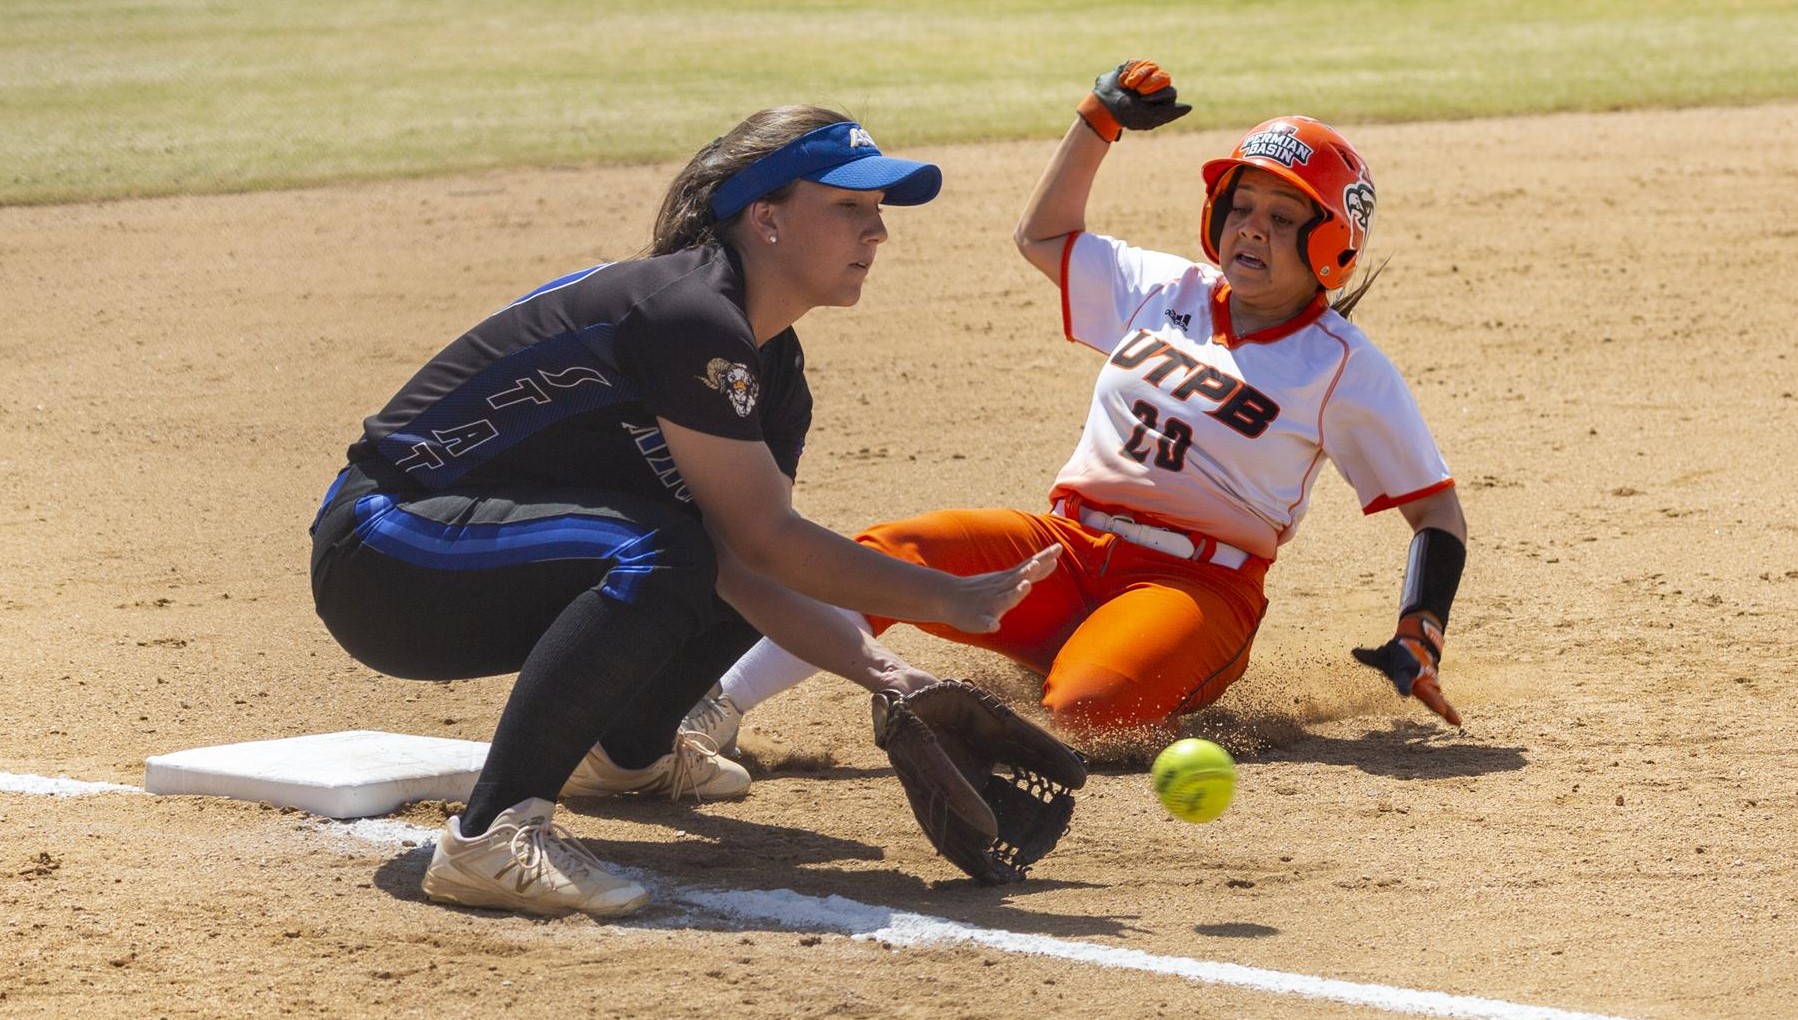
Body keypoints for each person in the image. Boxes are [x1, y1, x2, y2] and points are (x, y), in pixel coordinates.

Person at [308, 107, 1060, 919]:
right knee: (666, 551)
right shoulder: (687, 311)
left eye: (877, 212)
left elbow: (748, 561)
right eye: (848, 206)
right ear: (765, 218)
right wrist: (948, 598)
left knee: (704, 546)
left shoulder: (774, 371)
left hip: (463, 556)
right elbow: (766, 545)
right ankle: (492, 837)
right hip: (387, 549)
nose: (876, 233)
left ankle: (627, 754)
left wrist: (894, 676)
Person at [683, 61, 1467, 756]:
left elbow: (1436, 512)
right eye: (1241, 204)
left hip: (1195, 592)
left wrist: (1419, 628)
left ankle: (1098, 665)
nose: (1250, 227)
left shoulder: (1342, 366)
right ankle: (710, 714)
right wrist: (1098, 123)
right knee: (887, 553)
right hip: (1065, 550)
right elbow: (1044, 236)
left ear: (1331, 241)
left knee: (1088, 710)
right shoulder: (1167, 289)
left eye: (1282, 216)